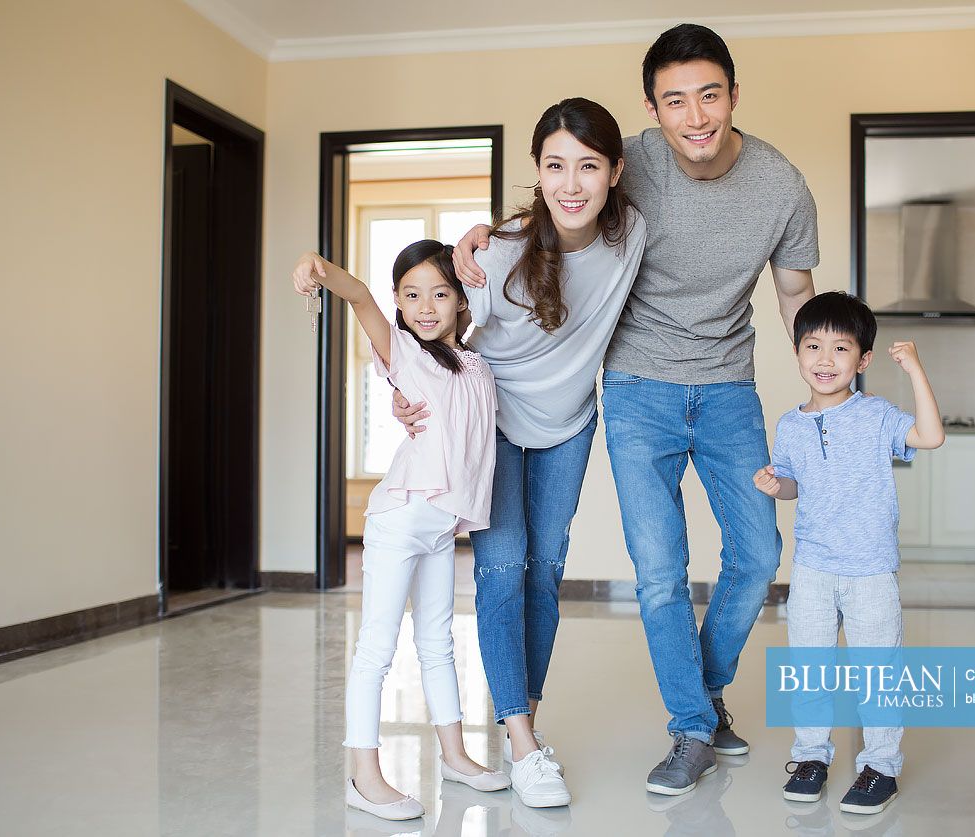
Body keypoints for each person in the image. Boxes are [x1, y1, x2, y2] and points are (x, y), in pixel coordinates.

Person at [450, 23, 819, 796]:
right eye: (673, 100)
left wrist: (826, 392)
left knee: (757, 554)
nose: (694, 117)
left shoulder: (780, 185)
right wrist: (483, 234)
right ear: (650, 109)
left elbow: (794, 294)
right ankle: (690, 728)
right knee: (659, 572)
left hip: (729, 387)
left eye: (708, 96)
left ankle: (704, 694)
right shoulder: (626, 159)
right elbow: (558, 198)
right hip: (635, 389)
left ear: (733, 95)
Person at [398, 97, 645, 809]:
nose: (571, 184)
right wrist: (405, 392)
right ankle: (524, 741)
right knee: (503, 569)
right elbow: (432, 323)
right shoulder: (499, 253)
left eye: (588, 167)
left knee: (546, 572)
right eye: (554, 166)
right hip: (493, 423)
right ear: (537, 170)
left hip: (569, 424)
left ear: (615, 171)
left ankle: (521, 717)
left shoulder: (632, 234)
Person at [292, 241, 510, 822]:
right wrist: (317, 266)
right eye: (412, 295)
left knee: (438, 644)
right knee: (377, 649)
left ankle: (455, 756)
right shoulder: (403, 353)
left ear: (461, 301)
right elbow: (359, 297)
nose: (425, 307)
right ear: (398, 301)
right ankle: (363, 777)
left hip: (440, 528)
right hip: (400, 519)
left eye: (439, 294)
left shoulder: (478, 363)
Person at [754, 291, 945, 815]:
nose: (825, 359)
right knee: (809, 668)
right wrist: (776, 485)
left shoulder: (877, 415)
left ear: (862, 361)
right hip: (812, 569)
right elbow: (794, 484)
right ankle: (810, 757)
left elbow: (930, 436)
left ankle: (881, 766)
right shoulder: (790, 425)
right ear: (797, 353)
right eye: (813, 346)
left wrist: (914, 369)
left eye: (840, 348)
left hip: (870, 571)